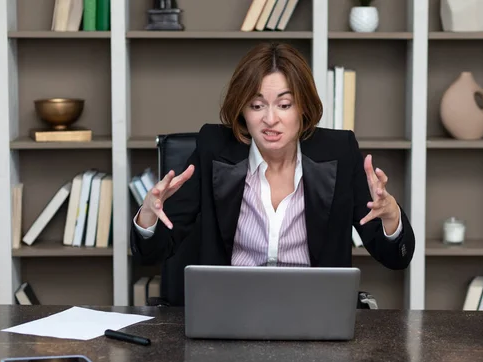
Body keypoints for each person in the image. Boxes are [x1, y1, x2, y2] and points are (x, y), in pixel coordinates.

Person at [130, 42, 415, 306]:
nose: (270, 119)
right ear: (241, 110)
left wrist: (391, 218)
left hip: (316, 312)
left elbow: (395, 258)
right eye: (256, 105)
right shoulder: (213, 149)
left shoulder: (340, 152)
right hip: (230, 311)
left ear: (303, 107)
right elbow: (152, 254)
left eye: (284, 104)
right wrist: (147, 215)